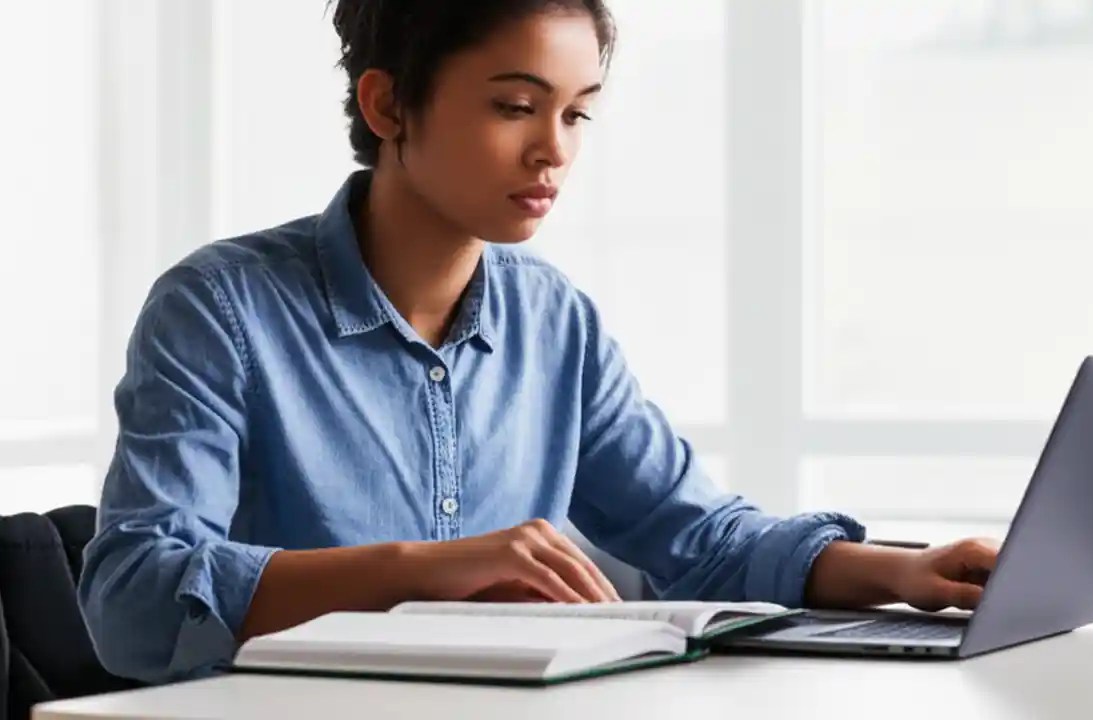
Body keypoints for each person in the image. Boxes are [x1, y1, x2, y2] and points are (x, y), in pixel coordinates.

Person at [79, 0, 998, 684]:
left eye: (577, 112)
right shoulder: (221, 307)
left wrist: (905, 574)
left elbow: (698, 539)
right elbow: (135, 599)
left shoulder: (554, 320)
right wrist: (426, 573)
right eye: (516, 106)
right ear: (389, 105)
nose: (553, 151)